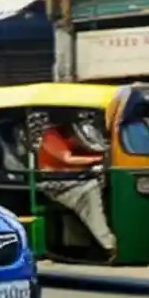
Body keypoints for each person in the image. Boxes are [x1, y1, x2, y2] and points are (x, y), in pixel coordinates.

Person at [31, 110, 117, 257]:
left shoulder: (76, 132)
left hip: (74, 178)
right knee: (89, 191)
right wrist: (97, 159)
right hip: (55, 182)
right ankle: (108, 244)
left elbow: (91, 148)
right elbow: (67, 158)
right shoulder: (51, 136)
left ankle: (87, 243)